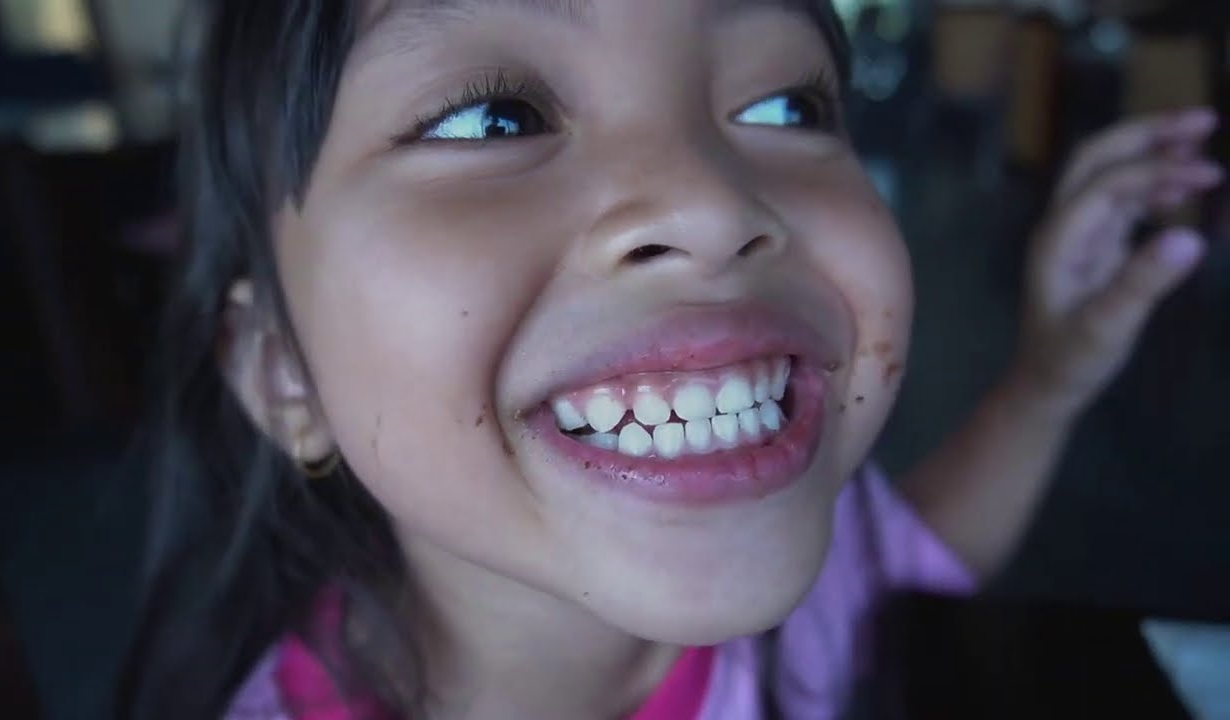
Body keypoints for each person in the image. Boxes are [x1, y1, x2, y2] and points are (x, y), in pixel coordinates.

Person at [115, 1, 1223, 718]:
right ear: (282, 373)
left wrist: (1053, 373)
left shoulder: (812, 577)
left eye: (786, 105)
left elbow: (916, 560)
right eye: (492, 119)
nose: (710, 203)